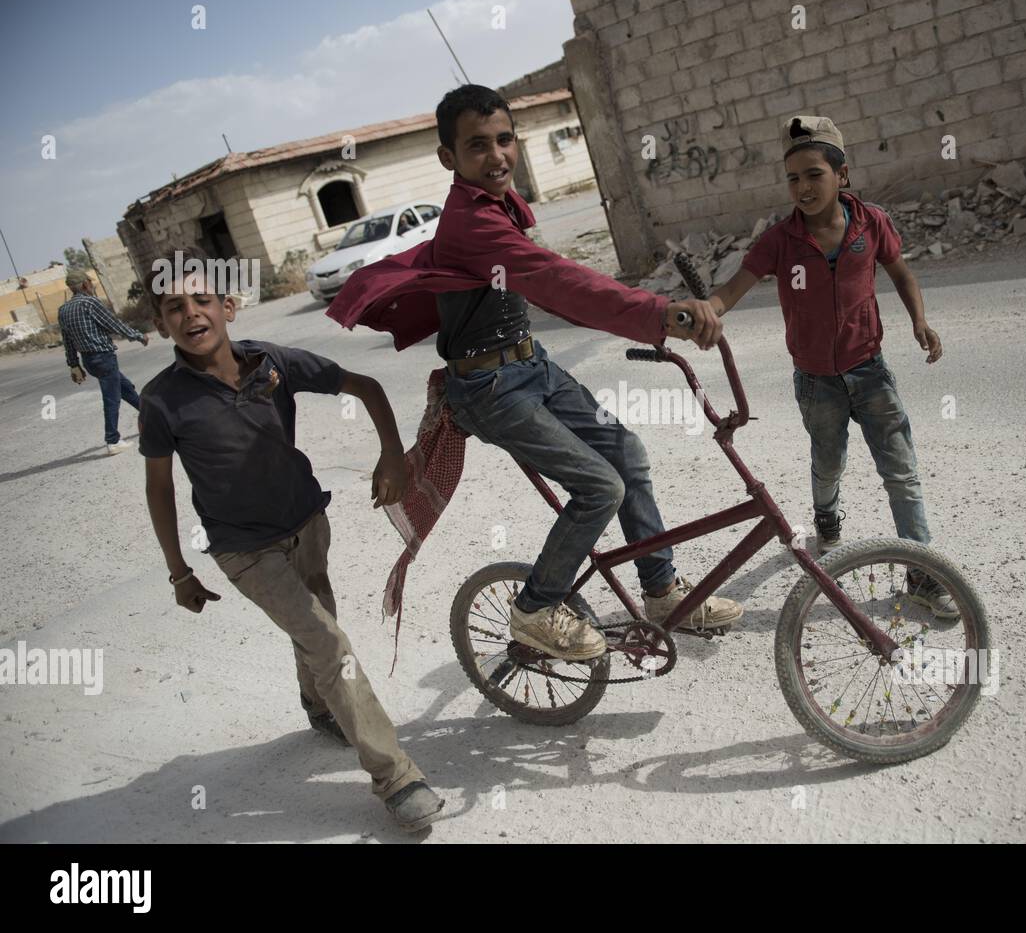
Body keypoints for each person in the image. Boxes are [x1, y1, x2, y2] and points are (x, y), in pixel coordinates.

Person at [328, 84, 743, 662]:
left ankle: (660, 592)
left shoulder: (497, 204)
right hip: (490, 389)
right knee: (600, 486)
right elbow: (559, 281)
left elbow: (552, 287)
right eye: (477, 146)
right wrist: (660, 313)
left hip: (532, 368)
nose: (497, 155)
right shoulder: (471, 225)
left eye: (505, 140)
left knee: (627, 453)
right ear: (448, 158)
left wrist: (649, 312)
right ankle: (534, 607)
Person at [136, 258, 443, 831]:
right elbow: (160, 488)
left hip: (307, 523)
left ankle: (319, 704)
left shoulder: (272, 361)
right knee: (328, 642)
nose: (190, 313)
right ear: (161, 326)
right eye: (174, 308)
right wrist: (179, 571)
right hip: (244, 550)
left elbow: (367, 386)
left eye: (201, 300)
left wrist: (390, 457)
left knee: (318, 617)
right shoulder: (161, 400)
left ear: (228, 308)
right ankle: (397, 778)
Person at [705, 115, 957, 618]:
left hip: (870, 370)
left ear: (842, 175)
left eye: (814, 174)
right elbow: (734, 287)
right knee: (828, 461)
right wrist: (707, 310)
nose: (802, 187)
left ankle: (923, 577)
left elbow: (900, 273)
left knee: (901, 473)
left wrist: (920, 321)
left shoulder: (871, 223)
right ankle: (826, 514)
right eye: (793, 178)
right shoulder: (781, 240)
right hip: (816, 381)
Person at [57, 267, 149, 454]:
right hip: (104, 358)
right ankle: (112, 440)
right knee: (112, 398)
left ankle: (152, 418)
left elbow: (67, 340)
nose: (92, 286)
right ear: (84, 284)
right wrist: (138, 336)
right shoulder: (89, 302)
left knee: (126, 388)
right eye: (90, 282)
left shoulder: (64, 310)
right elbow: (113, 324)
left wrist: (74, 365)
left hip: (89, 361)